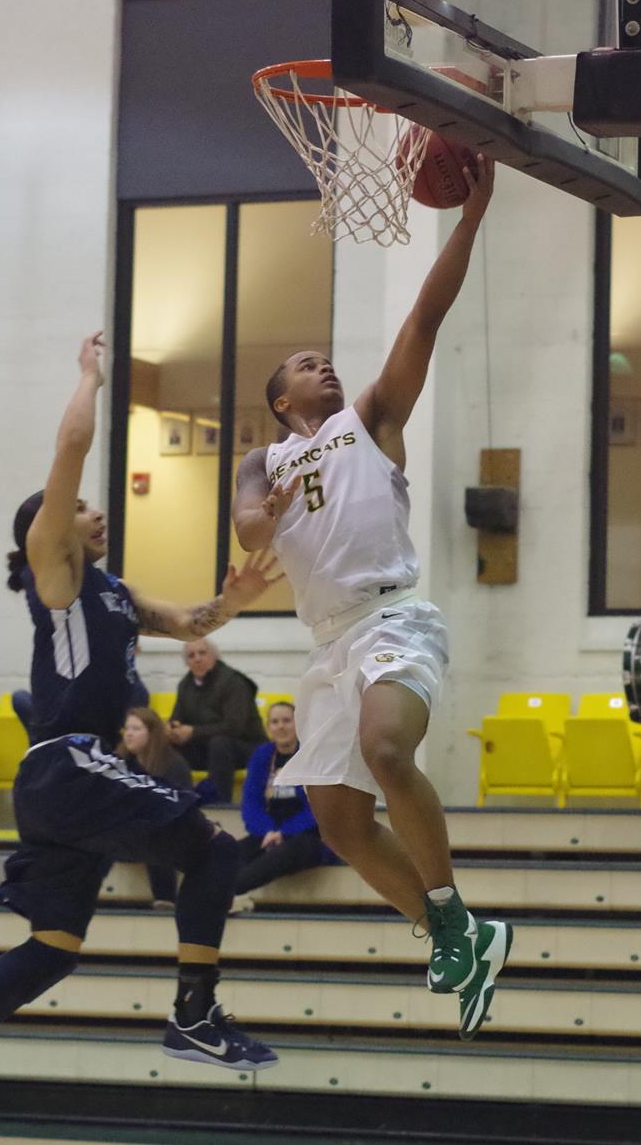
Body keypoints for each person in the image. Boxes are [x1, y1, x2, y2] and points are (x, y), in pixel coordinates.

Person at [0, 331, 282, 1139]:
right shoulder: (56, 573)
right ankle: (195, 1013)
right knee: (212, 849)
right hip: (66, 764)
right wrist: (91, 378)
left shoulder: (113, 590)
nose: (93, 509)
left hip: (69, 783)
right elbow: (70, 444)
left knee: (58, 944)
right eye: (81, 504)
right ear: (52, 529)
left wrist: (234, 598)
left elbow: (191, 620)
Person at [229, 161, 513, 1044]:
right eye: (308, 364)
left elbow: (424, 315)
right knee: (341, 822)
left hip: (391, 618)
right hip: (325, 649)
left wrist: (471, 215)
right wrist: (262, 513)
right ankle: (453, 935)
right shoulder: (262, 460)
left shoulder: (371, 417)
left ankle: (455, 917)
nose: (326, 364)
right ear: (282, 401)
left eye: (327, 359)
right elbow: (244, 530)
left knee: (388, 747)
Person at [233, 700, 337, 905]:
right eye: (275, 722)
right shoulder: (262, 755)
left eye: (287, 721)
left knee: (283, 853)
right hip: (269, 832)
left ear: (299, 724)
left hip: (311, 837)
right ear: (268, 728)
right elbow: (251, 803)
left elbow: (319, 808)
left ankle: (229, 891)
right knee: (232, 852)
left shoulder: (313, 755)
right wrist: (269, 831)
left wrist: (284, 832)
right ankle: (224, 892)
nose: (281, 726)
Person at [168, 638, 264, 804]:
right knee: (168, 747)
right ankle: (178, 803)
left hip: (247, 747)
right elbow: (177, 717)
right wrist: (173, 729)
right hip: (207, 749)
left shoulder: (233, 682)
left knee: (220, 743)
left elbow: (234, 727)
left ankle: (220, 804)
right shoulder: (185, 685)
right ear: (186, 663)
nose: (197, 658)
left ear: (214, 656)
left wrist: (193, 732)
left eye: (202, 653)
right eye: (191, 655)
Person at [118, 706, 194, 910]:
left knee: (158, 836)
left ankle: (165, 900)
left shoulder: (174, 765)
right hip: (128, 831)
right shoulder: (119, 763)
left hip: (168, 830)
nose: (129, 733)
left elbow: (180, 808)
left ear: (152, 733)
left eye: (136, 728)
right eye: (127, 728)